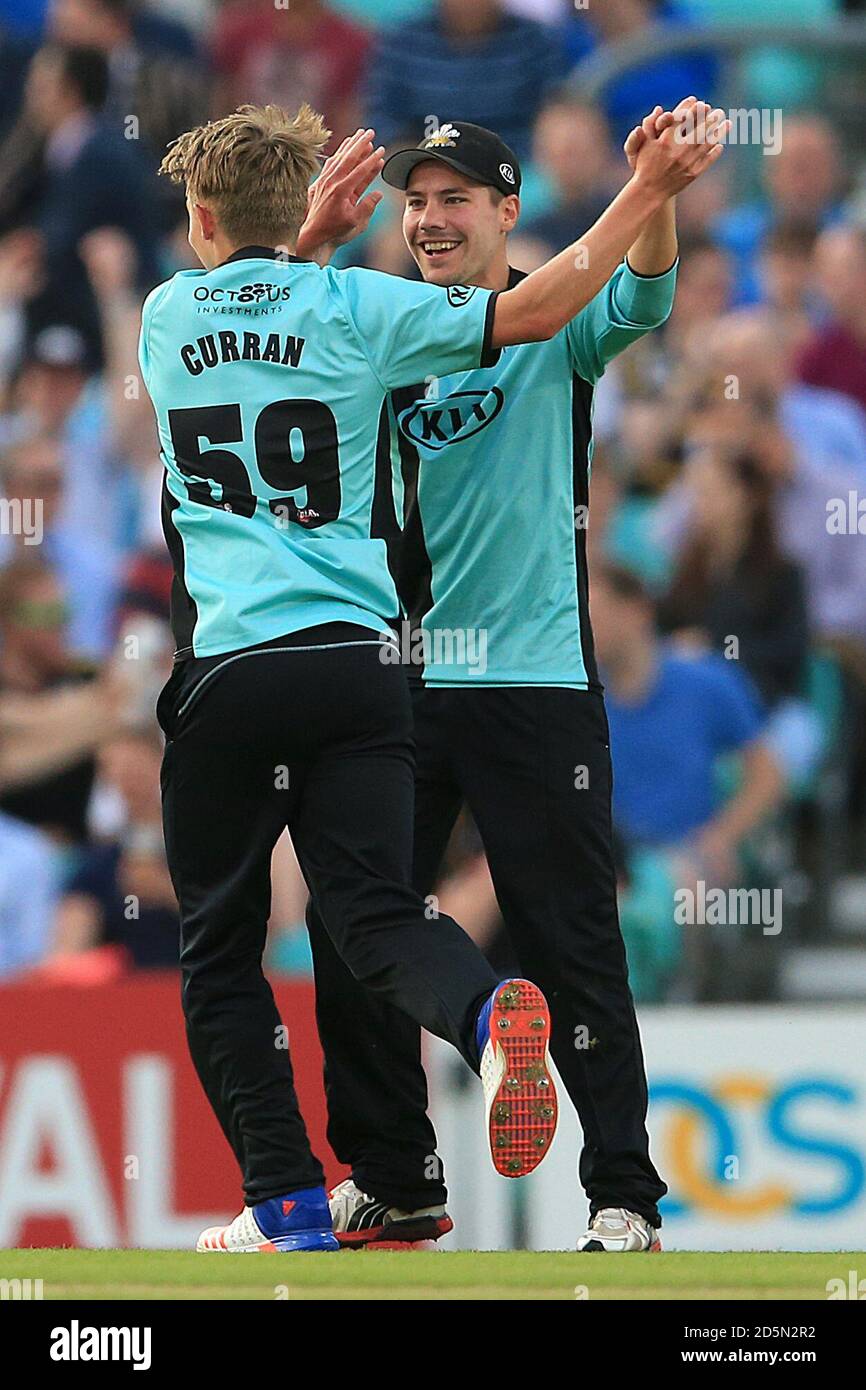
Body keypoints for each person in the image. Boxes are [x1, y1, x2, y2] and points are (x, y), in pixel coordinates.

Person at [139, 102, 724, 1254]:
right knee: (366, 938)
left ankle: (620, 1196)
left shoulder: (529, 323)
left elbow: (636, 294)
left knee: (567, 941)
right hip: (391, 674)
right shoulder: (381, 323)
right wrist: (294, 247)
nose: (428, 217)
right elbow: (268, 320)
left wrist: (651, 192)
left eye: (454, 197)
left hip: (527, 674)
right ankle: (393, 1172)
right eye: (414, 202)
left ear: (507, 211)